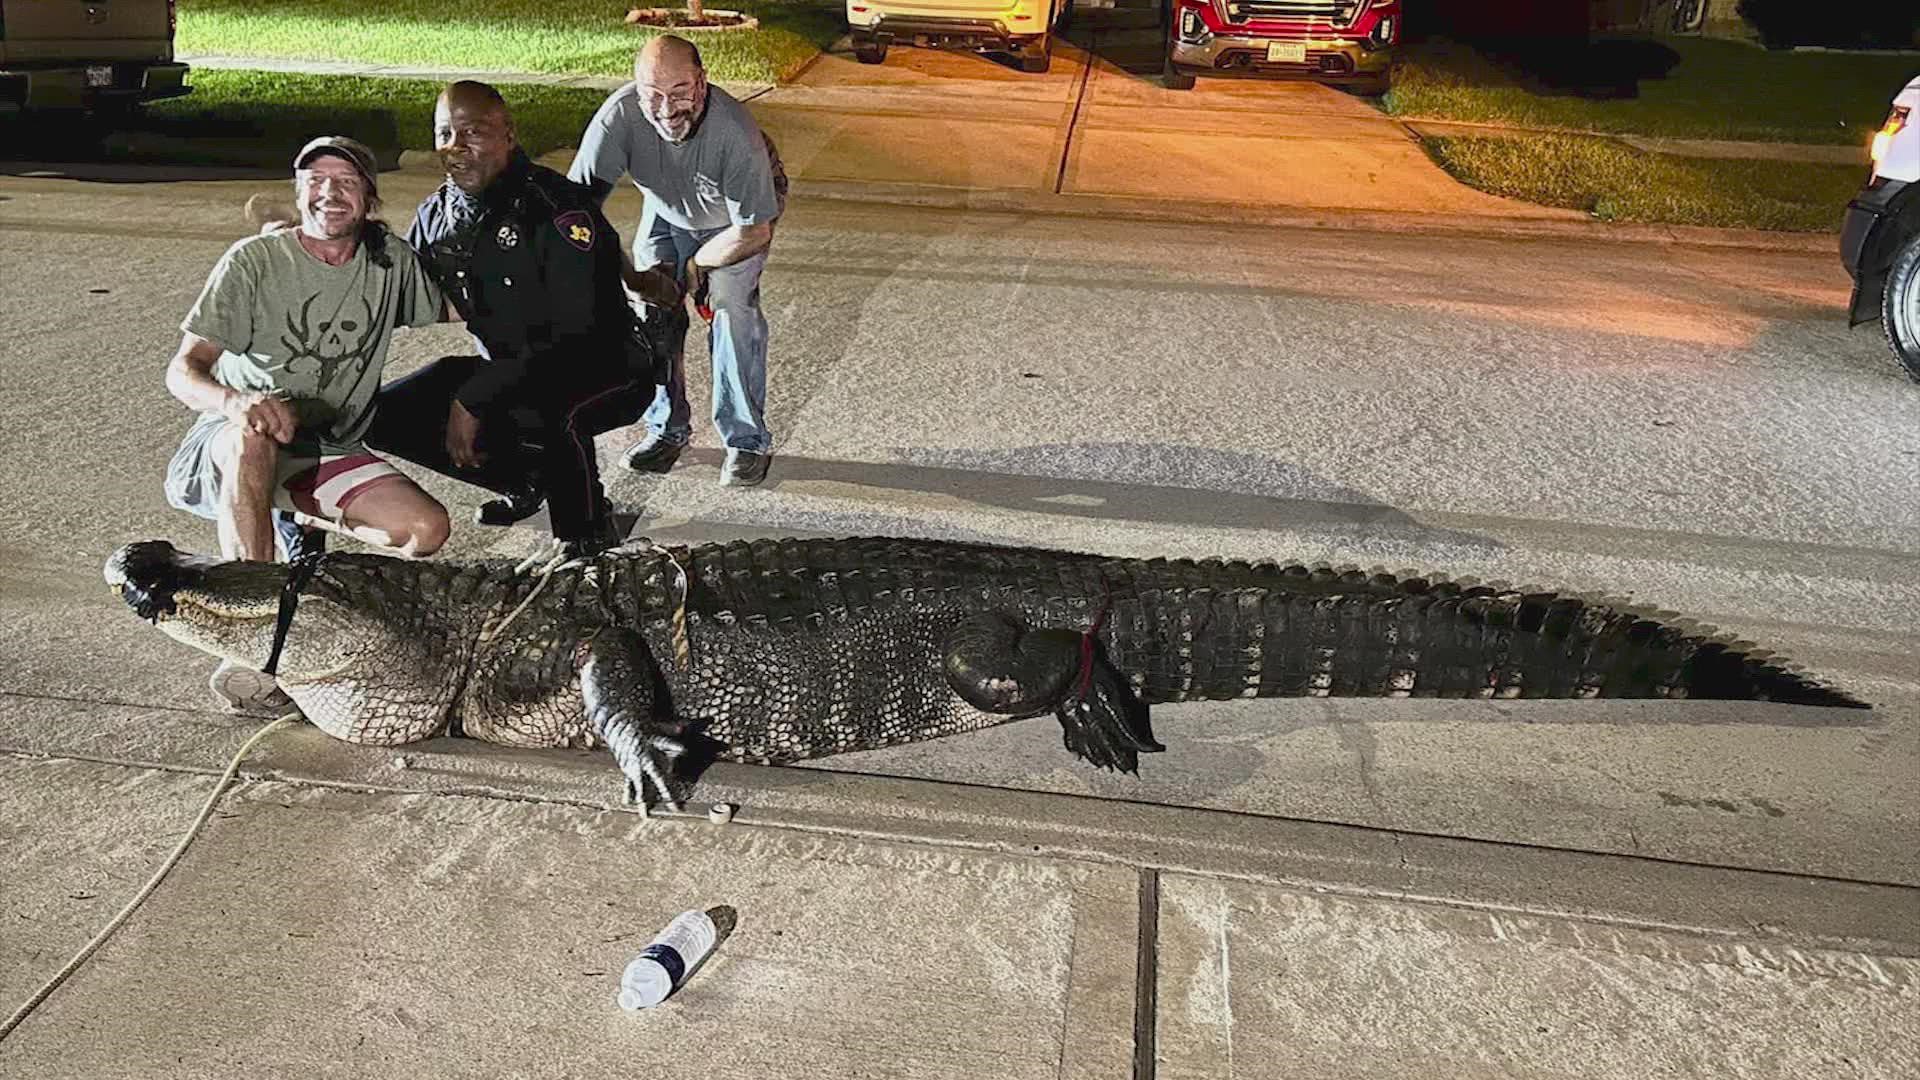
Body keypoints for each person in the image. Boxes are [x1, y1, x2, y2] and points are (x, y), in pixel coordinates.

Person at [163, 135, 451, 709]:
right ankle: (253, 634)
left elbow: (462, 304)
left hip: (323, 446)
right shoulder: (253, 261)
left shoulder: (388, 261)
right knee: (255, 437)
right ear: (298, 192)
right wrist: (233, 402)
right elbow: (182, 371)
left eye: (344, 182)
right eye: (315, 180)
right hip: (231, 442)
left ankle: (296, 521)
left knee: (427, 532)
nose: (328, 193)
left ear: (368, 198)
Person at [366, 81, 653, 560]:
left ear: (509, 136)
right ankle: (527, 479)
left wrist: (473, 398)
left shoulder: (557, 208)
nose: (455, 148)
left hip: (606, 366)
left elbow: (571, 337)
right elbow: (399, 294)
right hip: (508, 370)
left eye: (473, 132)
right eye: (444, 134)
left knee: (547, 407)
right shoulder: (437, 215)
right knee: (381, 415)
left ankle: (585, 535)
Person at [569, 34, 786, 488]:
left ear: (702, 83)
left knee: (730, 310)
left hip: (734, 225)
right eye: (653, 94)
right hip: (667, 210)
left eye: (680, 92)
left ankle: (746, 440)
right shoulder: (620, 116)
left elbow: (754, 230)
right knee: (653, 314)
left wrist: (693, 271)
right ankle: (666, 429)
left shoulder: (735, 134)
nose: (666, 108)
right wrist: (628, 275)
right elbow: (574, 208)